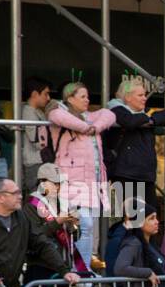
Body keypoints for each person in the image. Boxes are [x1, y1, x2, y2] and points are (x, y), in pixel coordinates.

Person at [47, 82, 116, 271]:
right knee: (81, 225)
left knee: (89, 230)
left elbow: (110, 114)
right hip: (70, 182)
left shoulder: (90, 118)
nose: (87, 100)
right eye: (82, 96)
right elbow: (57, 115)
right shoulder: (59, 112)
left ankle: (82, 269)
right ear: (70, 98)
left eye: (87, 96)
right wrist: (86, 128)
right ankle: (79, 270)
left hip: (92, 182)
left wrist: (94, 127)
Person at [106, 76, 165, 213]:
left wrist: (150, 121)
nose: (145, 98)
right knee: (134, 219)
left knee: (150, 217)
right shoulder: (116, 110)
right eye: (140, 95)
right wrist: (149, 119)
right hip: (126, 174)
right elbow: (130, 121)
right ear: (127, 97)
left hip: (146, 174)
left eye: (144, 95)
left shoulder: (144, 113)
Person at [18, 77, 52, 178]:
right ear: (34, 94)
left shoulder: (38, 112)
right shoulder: (28, 112)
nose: (48, 98)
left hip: (40, 161)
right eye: (46, 94)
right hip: (34, 163)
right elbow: (38, 142)